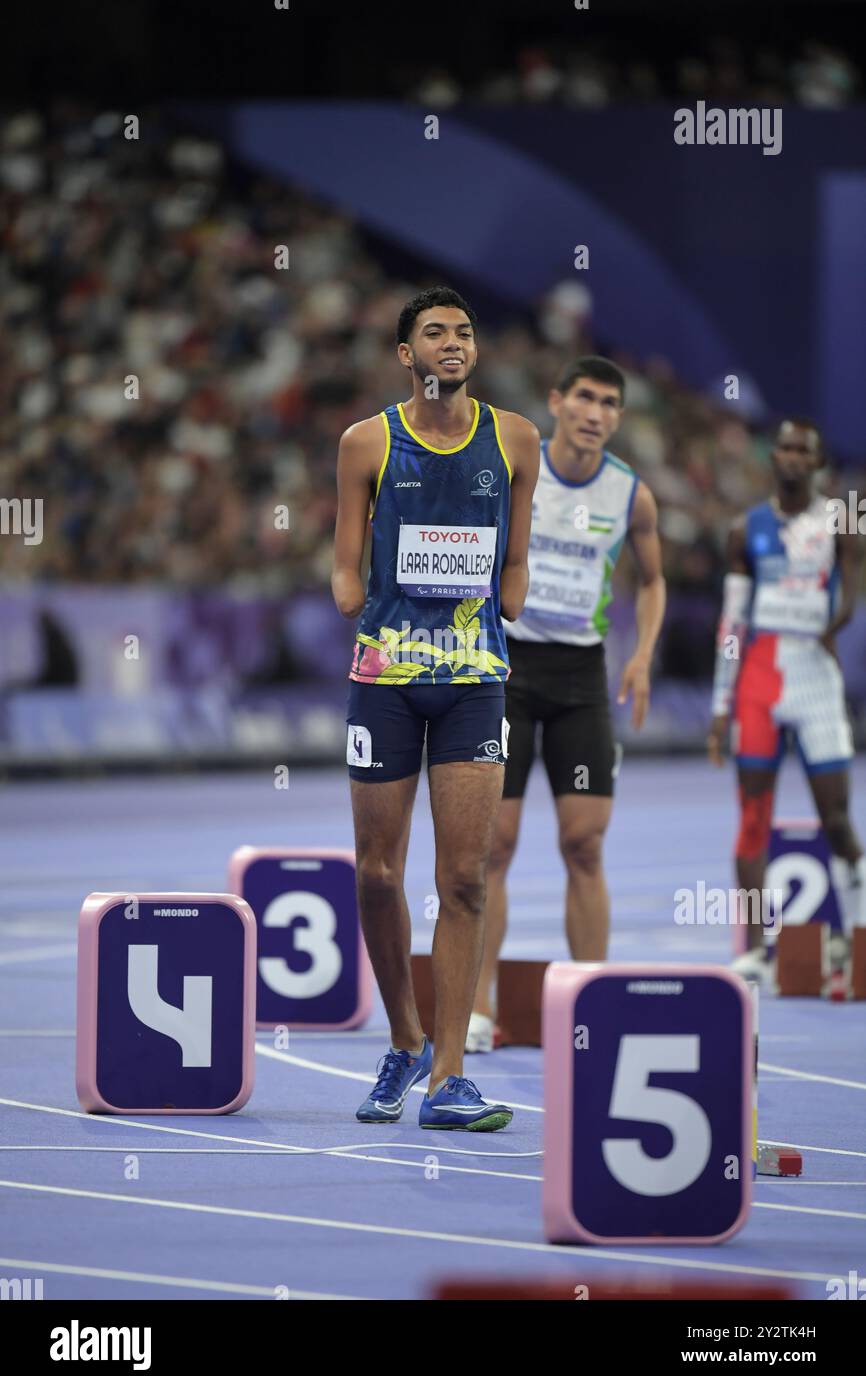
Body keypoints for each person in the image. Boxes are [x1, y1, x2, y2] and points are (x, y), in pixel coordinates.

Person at [331, 286, 539, 1128]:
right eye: (432, 334)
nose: (450, 343)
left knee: (464, 878)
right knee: (377, 874)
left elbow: (516, 562)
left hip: (476, 680)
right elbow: (345, 562)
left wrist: (503, 597)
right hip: (383, 678)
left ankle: (450, 1077)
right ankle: (405, 1038)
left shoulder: (515, 438)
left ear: (475, 353)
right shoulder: (365, 442)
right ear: (405, 355)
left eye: (462, 333)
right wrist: (359, 592)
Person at [468, 357, 665, 1052]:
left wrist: (641, 654)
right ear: (556, 402)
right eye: (584, 397)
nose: (596, 412)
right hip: (509, 669)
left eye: (610, 403)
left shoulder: (631, 496)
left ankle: (592, 1001)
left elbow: (653, 580)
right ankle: (480, 1009)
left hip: (583, 677)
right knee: (493, 845)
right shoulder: (518, 472)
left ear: (618, 417)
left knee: (584, 844)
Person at [708, 418, 865, 984]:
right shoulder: (742, 529)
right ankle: (755, 947)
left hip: (816, 677)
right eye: (787, 447)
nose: (795, 456)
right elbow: (733, 621)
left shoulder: (840, 520)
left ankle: (856, 931)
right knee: (753, 818)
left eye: (806, 449)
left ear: (819, 461)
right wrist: (720, 706)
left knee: (837, 818)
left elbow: (853, 586)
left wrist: (837, 622)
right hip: (757, 683)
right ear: (772, 456)